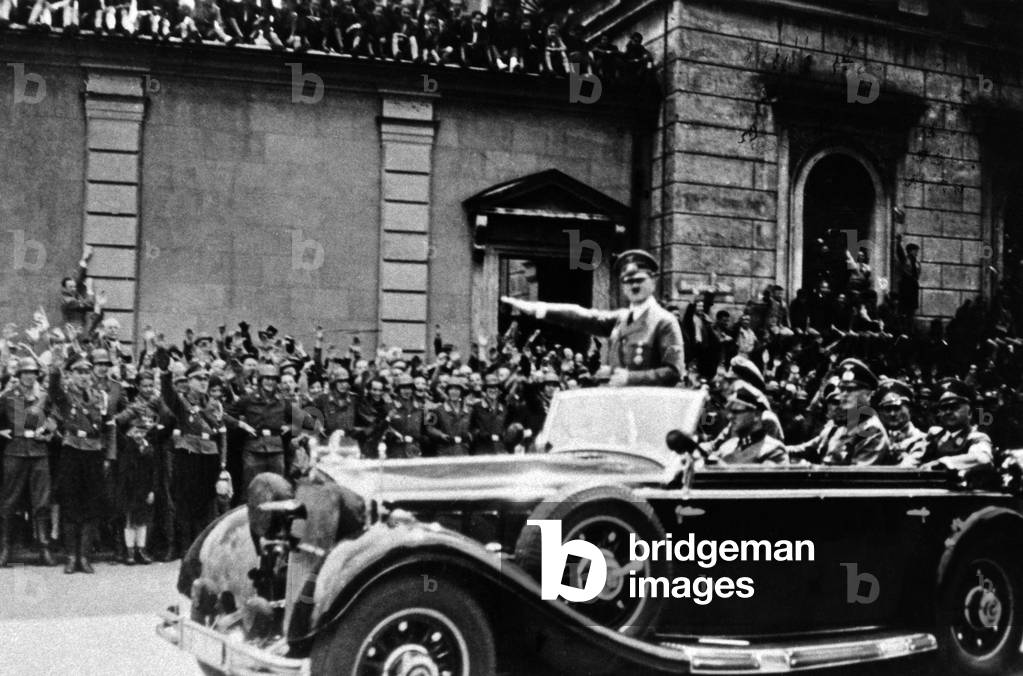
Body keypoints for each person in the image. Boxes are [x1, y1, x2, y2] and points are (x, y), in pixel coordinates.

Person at [501, 249, 685, 387]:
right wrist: (539, 309)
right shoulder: (620, 319)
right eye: (628, 281)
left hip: (650, 410)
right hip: (619, 405)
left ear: (653, 281)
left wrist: (631, 378)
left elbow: (674, 371)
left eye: (639, 280)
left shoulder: (664, 321)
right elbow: (583, 317)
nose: (634, 286)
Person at [49, 353, 112, 574]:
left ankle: (84, 556)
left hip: (93, 452)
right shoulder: (66, 396)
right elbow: (54, 392)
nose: (84, 376)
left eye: (87, 372)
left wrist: (107, 456)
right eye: (79, 372)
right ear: (72, 375)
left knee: (91, 503)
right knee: (70, 502)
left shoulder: (99, 396)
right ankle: (70, 556)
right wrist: (56, 370)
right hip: (72, 450)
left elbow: (107, 427)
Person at [0, 357, 56, 567]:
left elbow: (55, 417)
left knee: (41, 501)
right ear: (18, 375)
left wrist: (49, 433)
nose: (29, 376)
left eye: (32, 372)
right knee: (8, 501)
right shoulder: (7, 396)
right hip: (15, 451)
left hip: (39, 452)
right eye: (25, 372)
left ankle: (44, 547)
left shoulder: (43, 395)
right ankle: (5, 548)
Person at [911, 379, 994, 471]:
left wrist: (942, 463)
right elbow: (913, 461)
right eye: (944, 408)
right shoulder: (934, 437)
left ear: (969, 412)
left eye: (954, 407)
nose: (948, 412)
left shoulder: (976, 438)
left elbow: (982, 459)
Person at [710, 382, 787, 465]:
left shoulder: (774, 450)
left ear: (756, 415)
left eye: (737, 412)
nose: (730, 416)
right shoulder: (727, 446)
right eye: (731, 411)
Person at [872, 379, 927, 466]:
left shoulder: (922, 439)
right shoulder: (875, 440)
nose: (892, 414)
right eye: (888, 409)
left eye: (897, 408)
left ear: (909, 409)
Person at [426, 376, 473, 456]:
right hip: (445, 450)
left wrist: (470, 435)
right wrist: (441, 435)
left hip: (463, 449)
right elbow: (429, 428)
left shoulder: (469, 410)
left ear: (461, 392)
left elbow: (474, 426)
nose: (454, 392)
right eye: (451, 389)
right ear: (447, 391)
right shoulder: (437, 409)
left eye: (457, 389)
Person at [385, 374, 425, 458]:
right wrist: (401, 437)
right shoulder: (390, 406)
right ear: (398, 390)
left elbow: (424, 428)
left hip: (415, 448)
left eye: (409, 388)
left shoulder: (420, 407)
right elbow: (385, 427)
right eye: (403, 388)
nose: (407, 391)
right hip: (396, 449)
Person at [471, 373, 508, 455]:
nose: (493, 390)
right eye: (490, 388)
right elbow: (472, 428)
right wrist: (484, 436)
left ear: (499, 391)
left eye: (495, 388)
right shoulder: (477, 407)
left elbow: (506, 428)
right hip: (482, 449)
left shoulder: (504, 408)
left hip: (500, 448)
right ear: (485, 390)